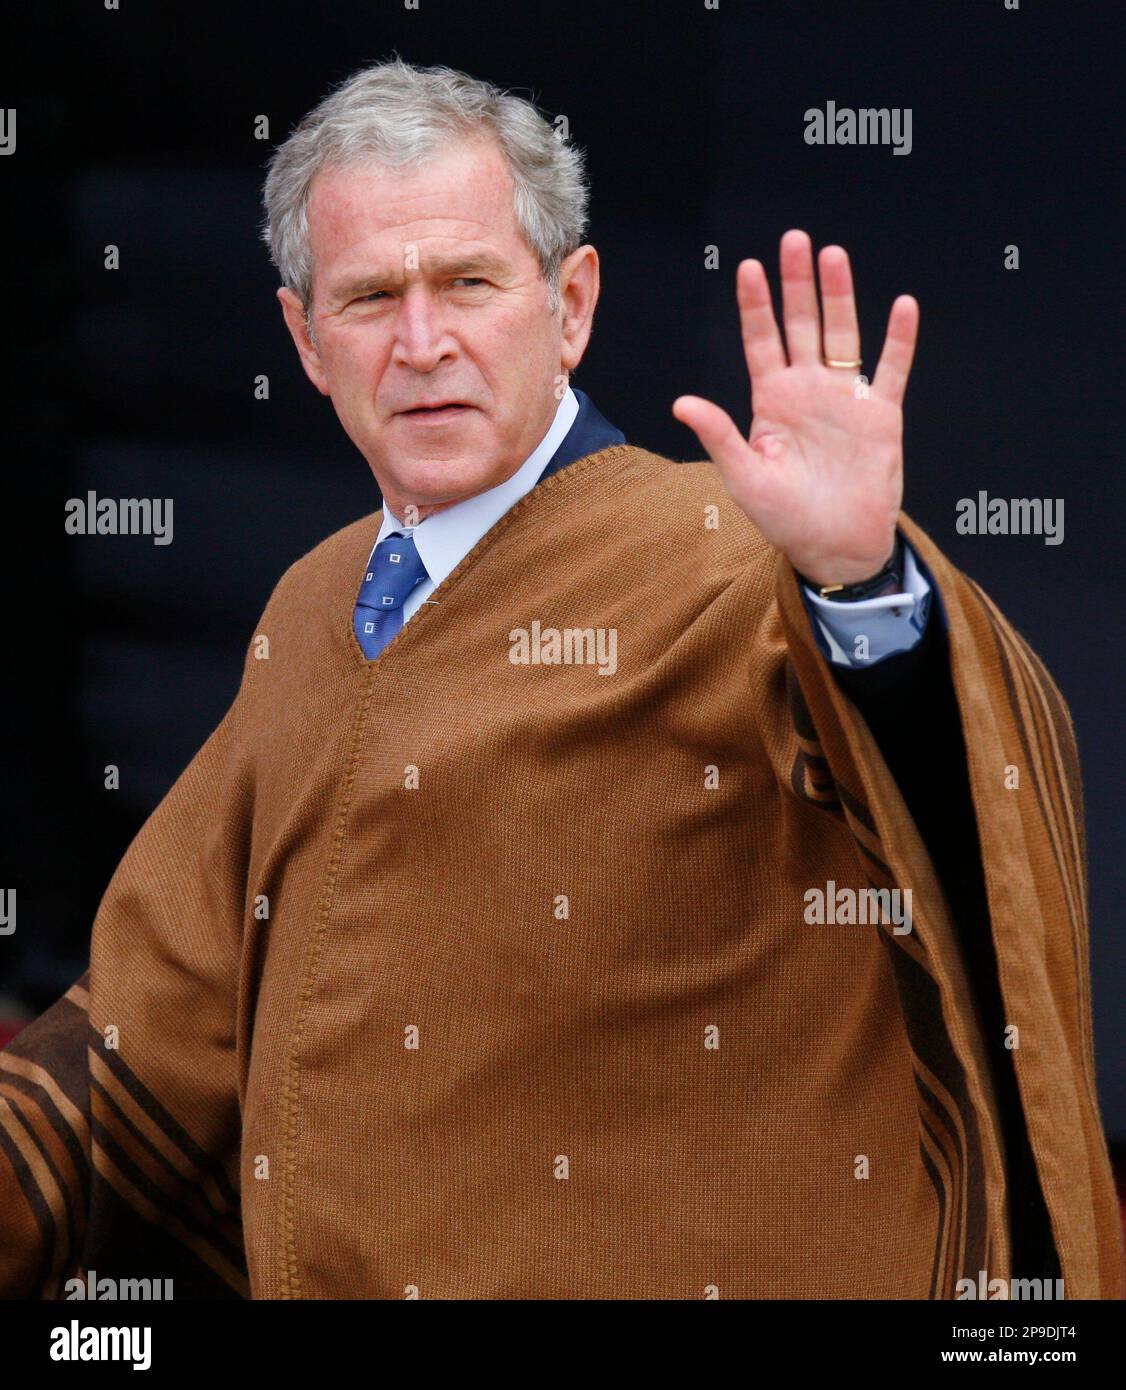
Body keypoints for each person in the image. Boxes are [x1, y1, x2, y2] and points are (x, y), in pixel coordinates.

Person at [1, 59, 1120, 1300]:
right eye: (369, 297)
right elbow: (149, 1032)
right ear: (303, 340)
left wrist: (860, 586)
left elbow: (957, 777)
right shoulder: (313, 604)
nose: (422, 343)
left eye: (468, 282)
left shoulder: (734, 560)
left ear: (570, 303)